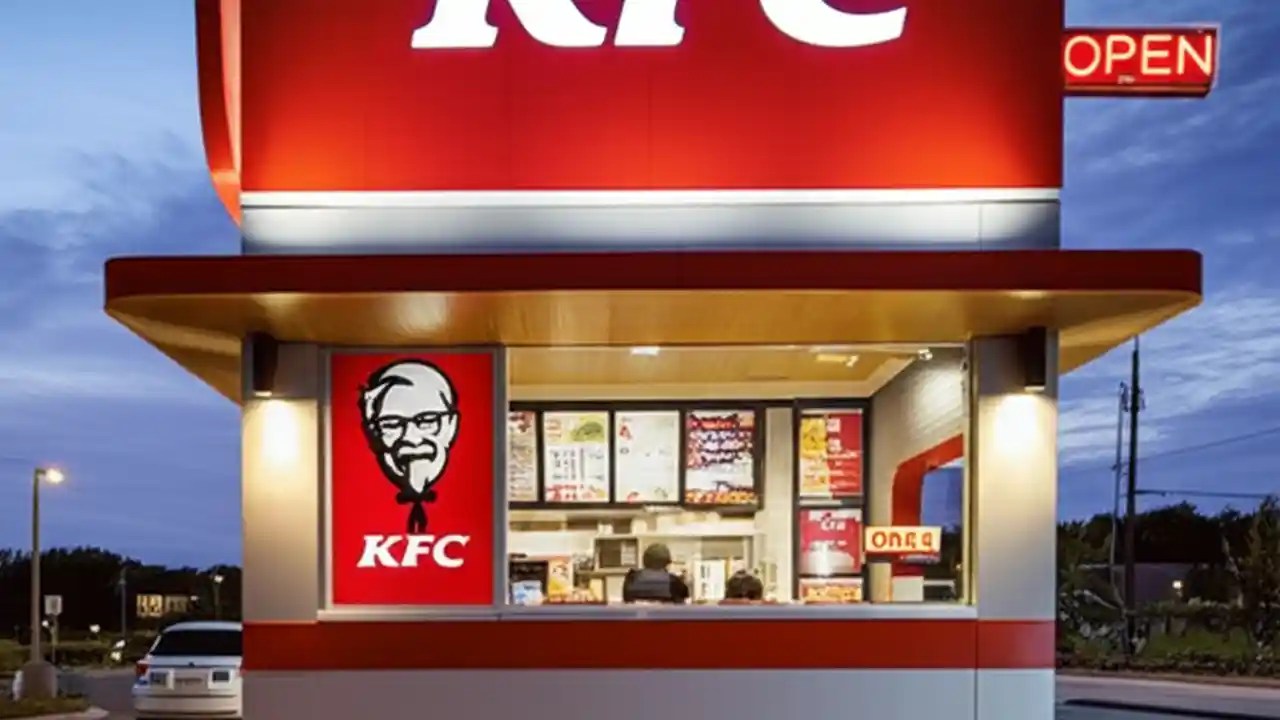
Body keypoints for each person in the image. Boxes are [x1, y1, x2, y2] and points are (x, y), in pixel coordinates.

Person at [621, 543, 690, 604]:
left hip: (639, 618)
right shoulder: (674, 581)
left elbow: (627, 600)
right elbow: (684, 600)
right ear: (665, 563)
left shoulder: (631, 578)